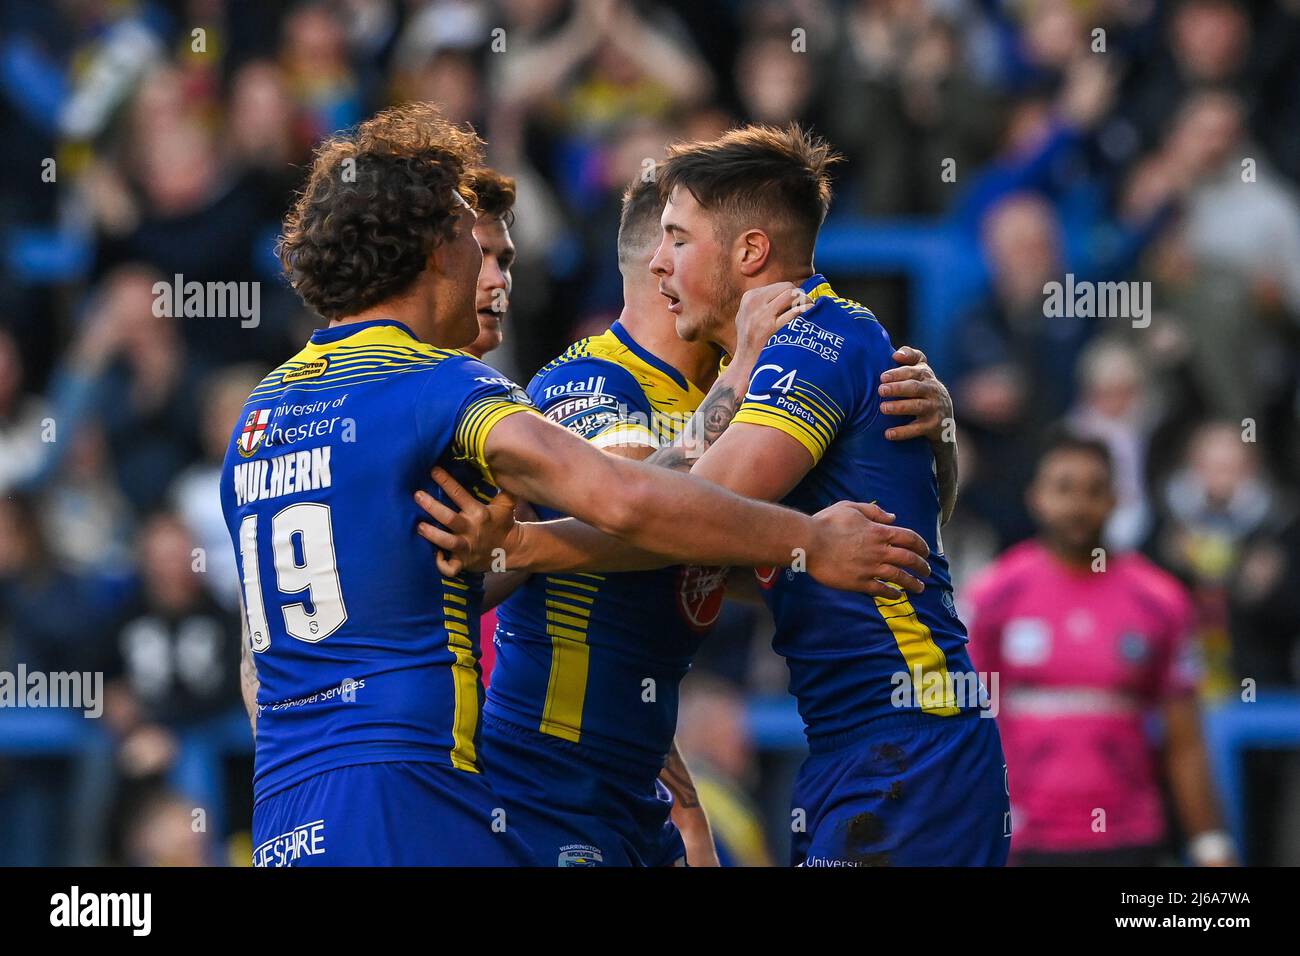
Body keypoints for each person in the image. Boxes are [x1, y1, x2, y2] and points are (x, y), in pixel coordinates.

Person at [222, 104, 931, 866]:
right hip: (421, 793)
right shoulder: (451, 387)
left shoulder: (261, 412)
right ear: (434, 250)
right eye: (475, 241)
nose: (492, 273)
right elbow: (627, 502)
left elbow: (263, 655)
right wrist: (810, 540)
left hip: (288, 803)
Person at [425, 124, 1008, 866]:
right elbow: (673, 519)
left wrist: (942, 435)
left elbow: (716, 519)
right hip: (555, 770)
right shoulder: (591, 382)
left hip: (895, 738)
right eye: (661, 241)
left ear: (748, 252)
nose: (663, 260)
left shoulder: (801, 344)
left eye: (679, 238)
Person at [964, 432, 1234, 866]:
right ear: (1036, 497)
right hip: (1023, 840)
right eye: (1063, 488)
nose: (1078, 505)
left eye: (1094, 490)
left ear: (1115, 500)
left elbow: (1185, 740)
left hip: (1130, 839)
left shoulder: (1161, 600)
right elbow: (964, 726)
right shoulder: (994, 594)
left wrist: (1211, 845)